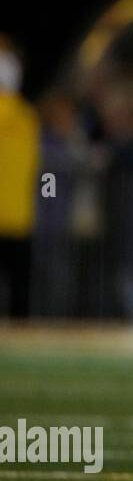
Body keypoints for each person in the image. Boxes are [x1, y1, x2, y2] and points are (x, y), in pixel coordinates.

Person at [0, 38, 39, 319]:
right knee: (19, 299)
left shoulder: (25, 117)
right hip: (20, 219)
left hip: (12, 218)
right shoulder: (27, 117)